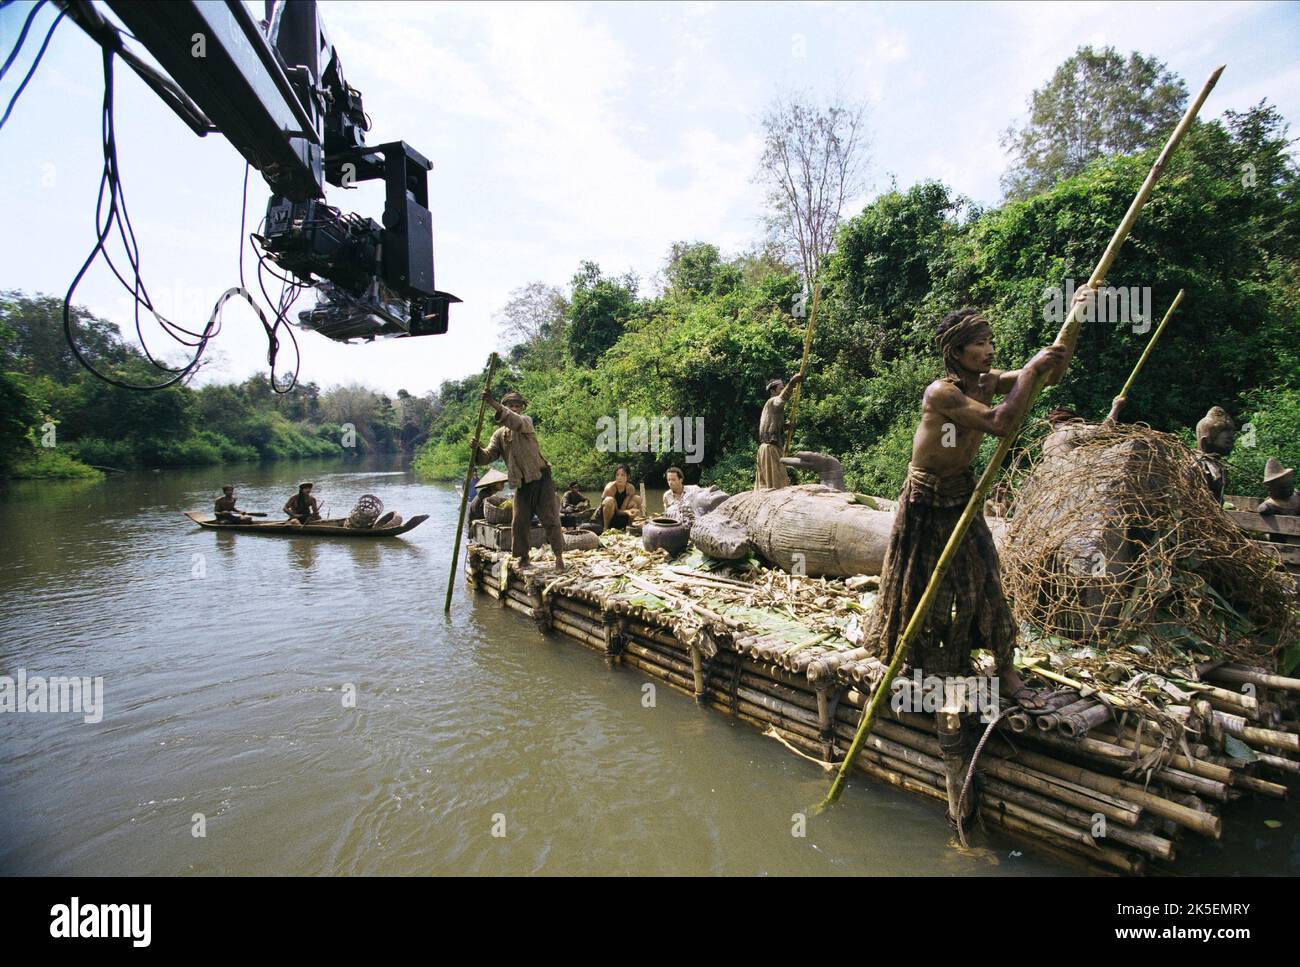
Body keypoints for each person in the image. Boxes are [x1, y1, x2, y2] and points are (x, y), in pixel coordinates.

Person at [865, 300, 1086, 817]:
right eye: (981, 343)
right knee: (920, 585)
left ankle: (1007, 670)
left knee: (986, 577)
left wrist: (1072, 324)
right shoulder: (942, 392)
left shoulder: (985, 380)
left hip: (962, 491)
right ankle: (917, 660)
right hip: (925, 499)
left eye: (990, 341)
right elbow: (1005, 423)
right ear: (957, 352)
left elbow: (1047, 376)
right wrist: (1030, 370)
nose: (990, 349)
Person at [474, 390, 565, 572]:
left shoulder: (526, 423)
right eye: (510, 406)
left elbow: (514, 421)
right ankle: (523, 558)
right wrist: (476, 450)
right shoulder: (499, 435)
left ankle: (559, 556)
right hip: (522, 484)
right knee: (519, 522)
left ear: (522, 409)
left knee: (550, 519)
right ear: (506, 407)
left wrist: (492, 402)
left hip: (541, 478)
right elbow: (487, 456)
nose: (514, 409)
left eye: (517, 406)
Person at [755, 373, 803, 490]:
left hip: (770, 448)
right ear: (773, 391)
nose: (782, 390)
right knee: (778, 484)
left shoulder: (771, 408)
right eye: (781, 388)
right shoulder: (772, 402)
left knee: (772, 483)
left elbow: (772, 425)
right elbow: (781, 399)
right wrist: (792, 383)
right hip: (769, 449)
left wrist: (785, 426)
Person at [1195, 406, 1237, 505]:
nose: (1232, 443)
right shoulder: (1199, 467)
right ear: (1205, 442)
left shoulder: (1218, 466)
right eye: (1227, 441)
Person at [600, 465, 643, 530]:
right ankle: (605, 529)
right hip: (608, 517)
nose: (619, 478)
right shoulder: (610, 488)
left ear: (628, 477)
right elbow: (617, 511)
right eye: (617, 475)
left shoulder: (630, 488)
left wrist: (633, 511)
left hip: (621, 515)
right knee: (609, 500)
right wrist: (627, 512)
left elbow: (623, 508)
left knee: (637, 499)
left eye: (622, 475)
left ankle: (628, 527)